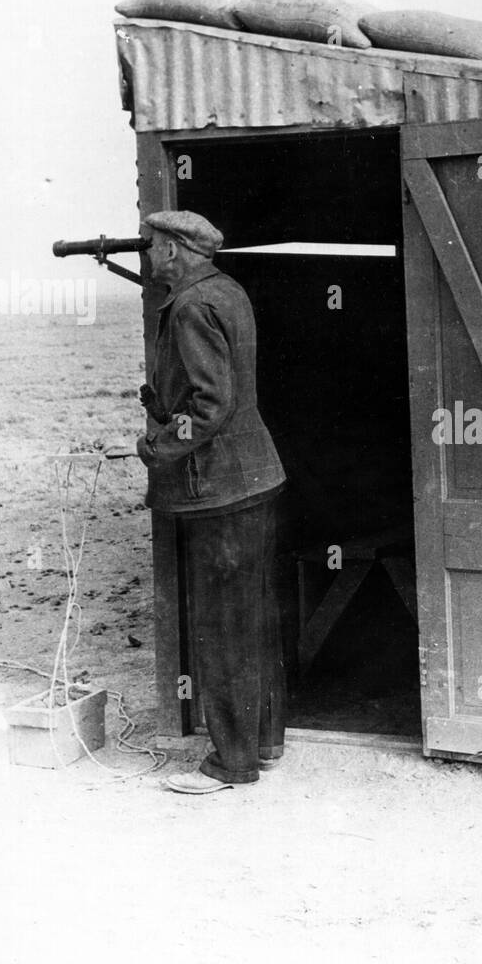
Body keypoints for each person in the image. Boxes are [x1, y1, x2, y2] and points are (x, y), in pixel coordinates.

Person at [136, 210, 287, 794]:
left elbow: (209, 408)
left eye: (151, 248)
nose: (147, 258)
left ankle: (231, 763)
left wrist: (155, 446)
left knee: (224, 625)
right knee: (255, 616)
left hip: (219, 488)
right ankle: (263, 743)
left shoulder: (192, 307)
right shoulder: (227, 291)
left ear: (173, 251)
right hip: (253, 478)